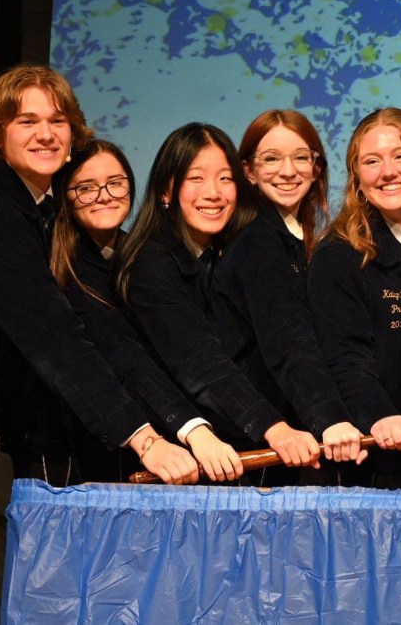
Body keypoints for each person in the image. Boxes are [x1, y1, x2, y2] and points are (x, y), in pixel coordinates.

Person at [0, 65, 199, 625]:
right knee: (0, 602)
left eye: (57, 120)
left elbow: (94, 336)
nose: (46, 133)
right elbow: (59, 344)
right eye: (26, 120)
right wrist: (147, 441)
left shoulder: (34, 210)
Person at [114, 122, 323, 474]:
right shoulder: (151, 261)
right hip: (173, 460)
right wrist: (275, 429)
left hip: (227, 450)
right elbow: (198, 359)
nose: (213, 193)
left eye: (225, 179)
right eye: (196, 179)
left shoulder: (226, 251)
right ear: (167, 190)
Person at [49, 138, 243, 482]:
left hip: (159, 445)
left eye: (115, 183)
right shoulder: (63, 268)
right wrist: (192, 431)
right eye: (86, 188)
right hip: (86, 448)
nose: (104, 195)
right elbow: (124, 356)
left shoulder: (139, 255)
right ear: (64, 194)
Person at [208, 110, 365, 473]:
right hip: (262, 449)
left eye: (300, 157)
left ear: (317, 167)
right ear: (248, 171)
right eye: (272, 159)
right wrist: (331, 420)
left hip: (292, 440)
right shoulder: (258, 241)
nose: (288, 170)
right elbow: (288, 342)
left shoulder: (297, 236)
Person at [307, 107, 401, 490]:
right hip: (388, 460)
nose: (389, 172)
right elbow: (346, 359)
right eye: (372, 161)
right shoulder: (337, 257)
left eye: (400, 155)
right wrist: (379, 417)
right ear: (356, 177)